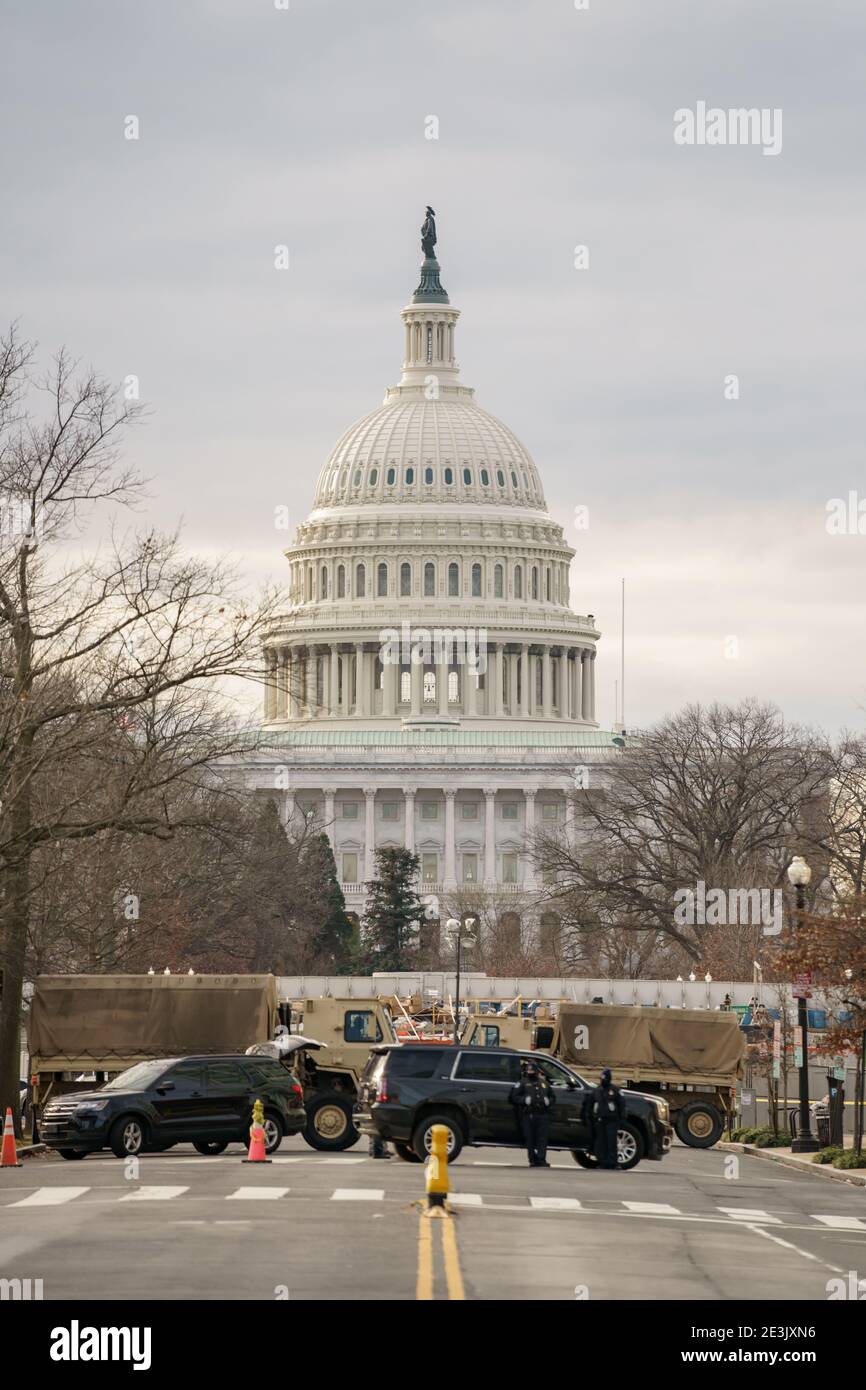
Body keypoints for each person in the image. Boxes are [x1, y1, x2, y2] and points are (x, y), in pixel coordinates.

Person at [510, 1059, 555, 1167]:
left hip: (542, 1114)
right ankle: (533, 1160)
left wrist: (549, 1101)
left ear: (536, 1071)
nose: (530, 1072)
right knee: (530, 1138)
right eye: (529, 1071)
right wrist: (524, 1100)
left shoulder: (544, 1083)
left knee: (542, 1139)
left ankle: (541, 1159)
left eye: (532, 1071)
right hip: (529, 1115)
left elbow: (552, 1096)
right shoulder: (522, 1083)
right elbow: (514, 1097)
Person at [584, 1068, 624, 1169]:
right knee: (601, 1143)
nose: (603, 1080)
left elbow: (622, 1106)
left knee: (611, 1142)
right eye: (602, 1078)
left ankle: (613, 1163)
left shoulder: (615, 1090)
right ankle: (603, 1162)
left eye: (605, 1078)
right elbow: (590, 1105)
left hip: (612, 1121)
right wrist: (590, 1118)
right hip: (600, 1121)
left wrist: (621, 1120)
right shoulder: (597, 1091)